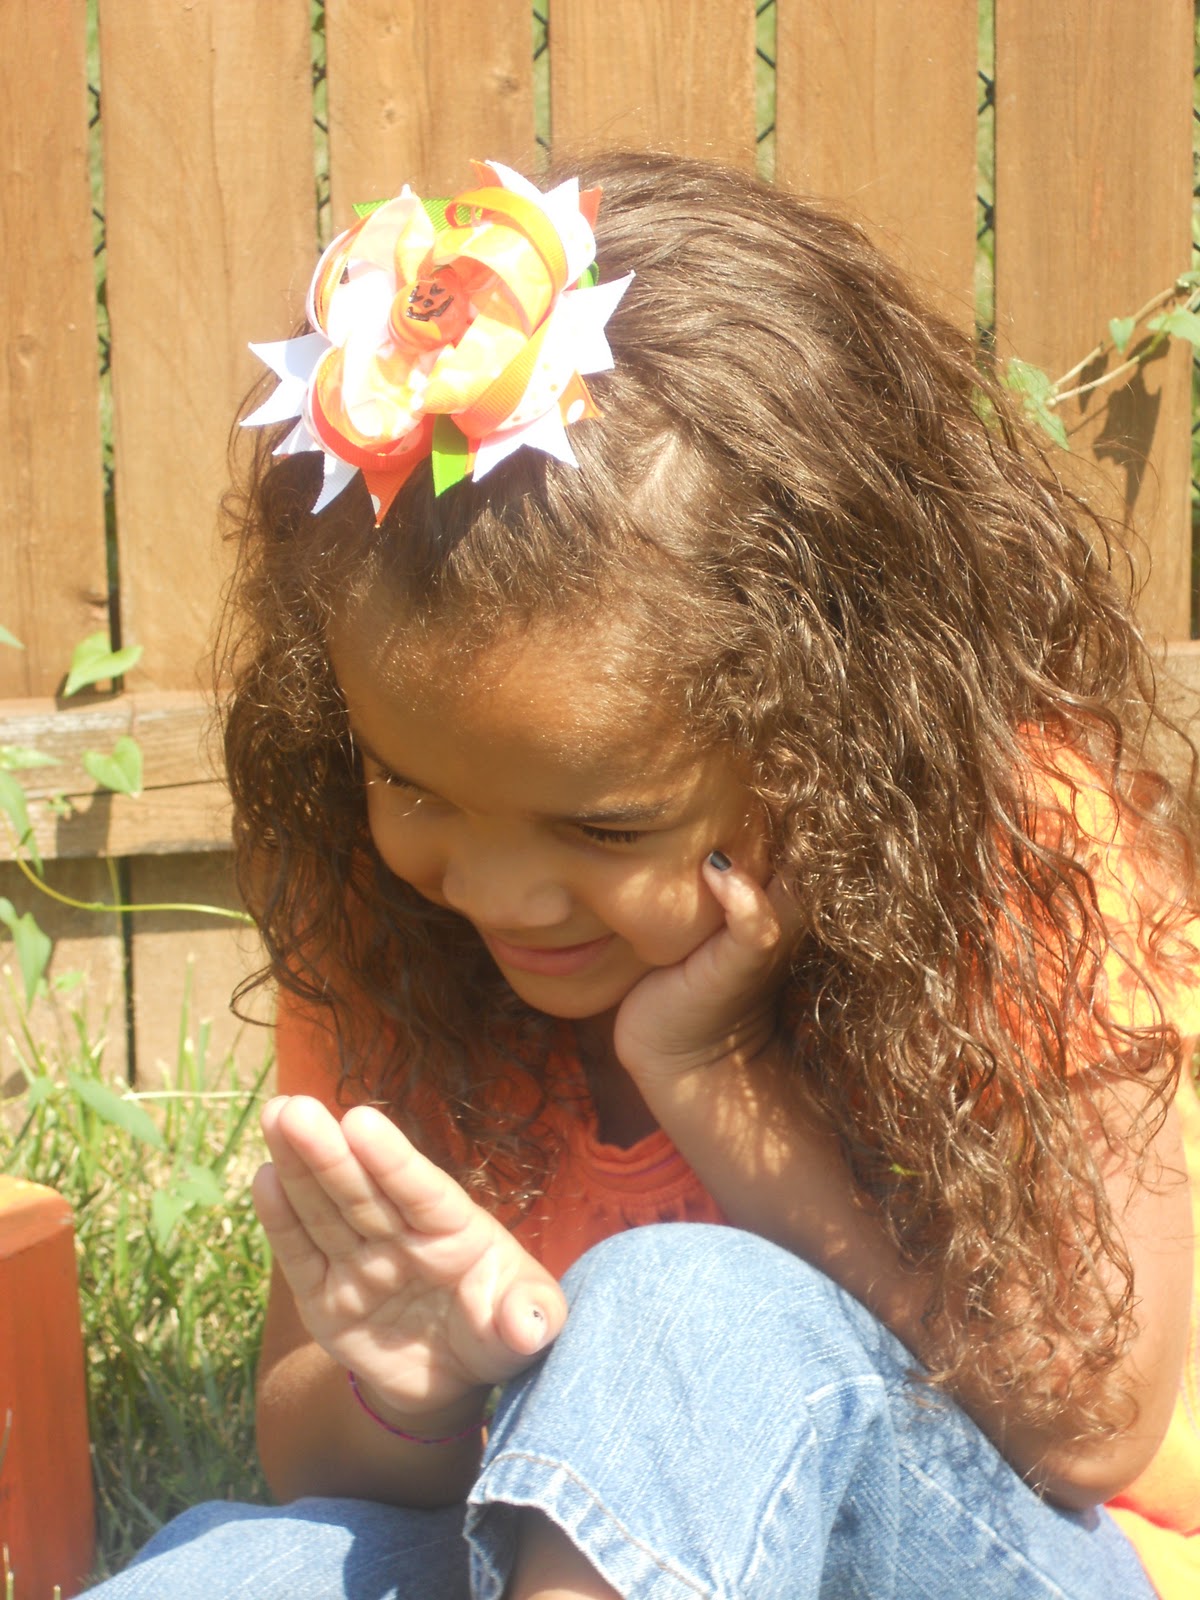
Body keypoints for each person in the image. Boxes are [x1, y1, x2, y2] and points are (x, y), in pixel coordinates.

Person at [82, 150, 1200, 1599]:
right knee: (252, 1568)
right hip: (572, 1550)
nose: (491, 890)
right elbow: (312, 1448)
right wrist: (412, 1384)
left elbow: (1094, 1417)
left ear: (835, 734)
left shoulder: (1027, 848)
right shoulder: (383, 904)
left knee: (679, 1312)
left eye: (603, 829)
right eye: (412, 786)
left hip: (1010, 1555)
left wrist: (714, 1076)